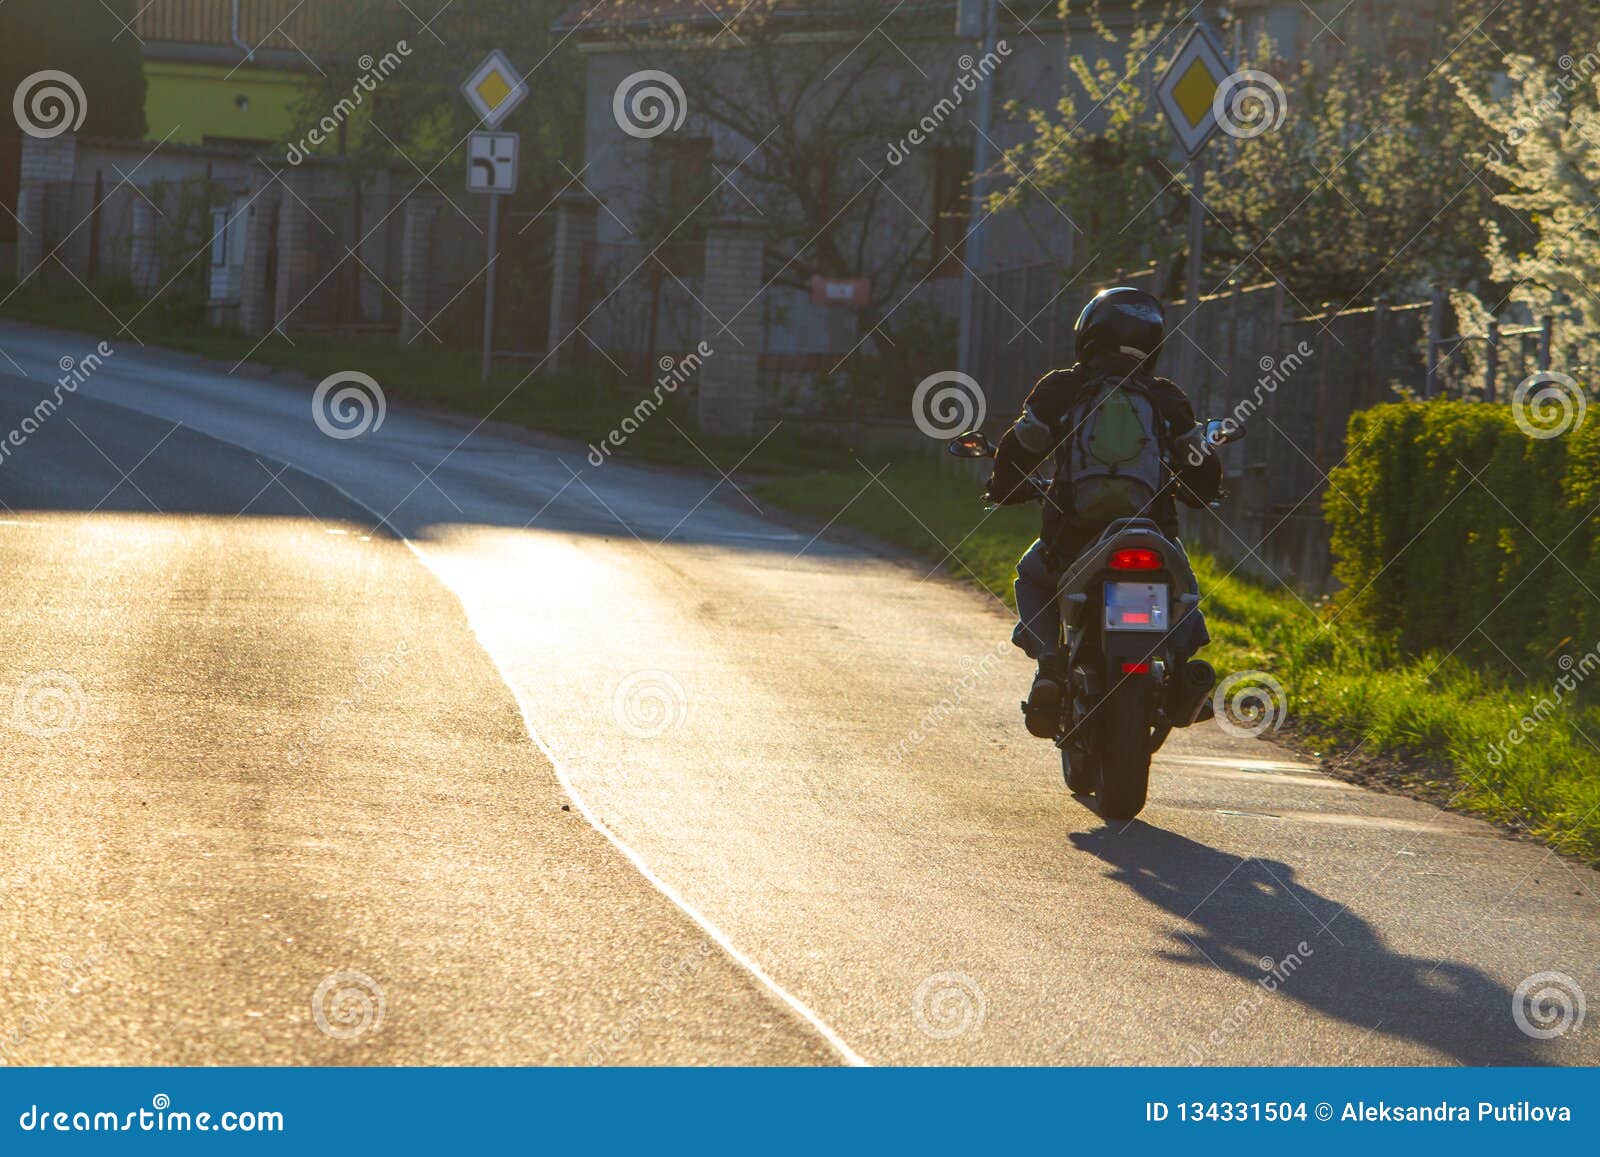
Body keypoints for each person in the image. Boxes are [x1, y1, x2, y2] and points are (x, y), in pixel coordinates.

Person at [983, 286, 1223, 738]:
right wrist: (1205, 494)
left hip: (1071, 539)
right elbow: (1200, 469)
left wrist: (1002, 487)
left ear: (1088, 334)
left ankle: (1051, 668)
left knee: (1031, 576)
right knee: (1182, 589)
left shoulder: (1062, 388)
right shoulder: (1166, 398)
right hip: (1150, 532)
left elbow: (1021, 445)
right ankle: (1183, 673)